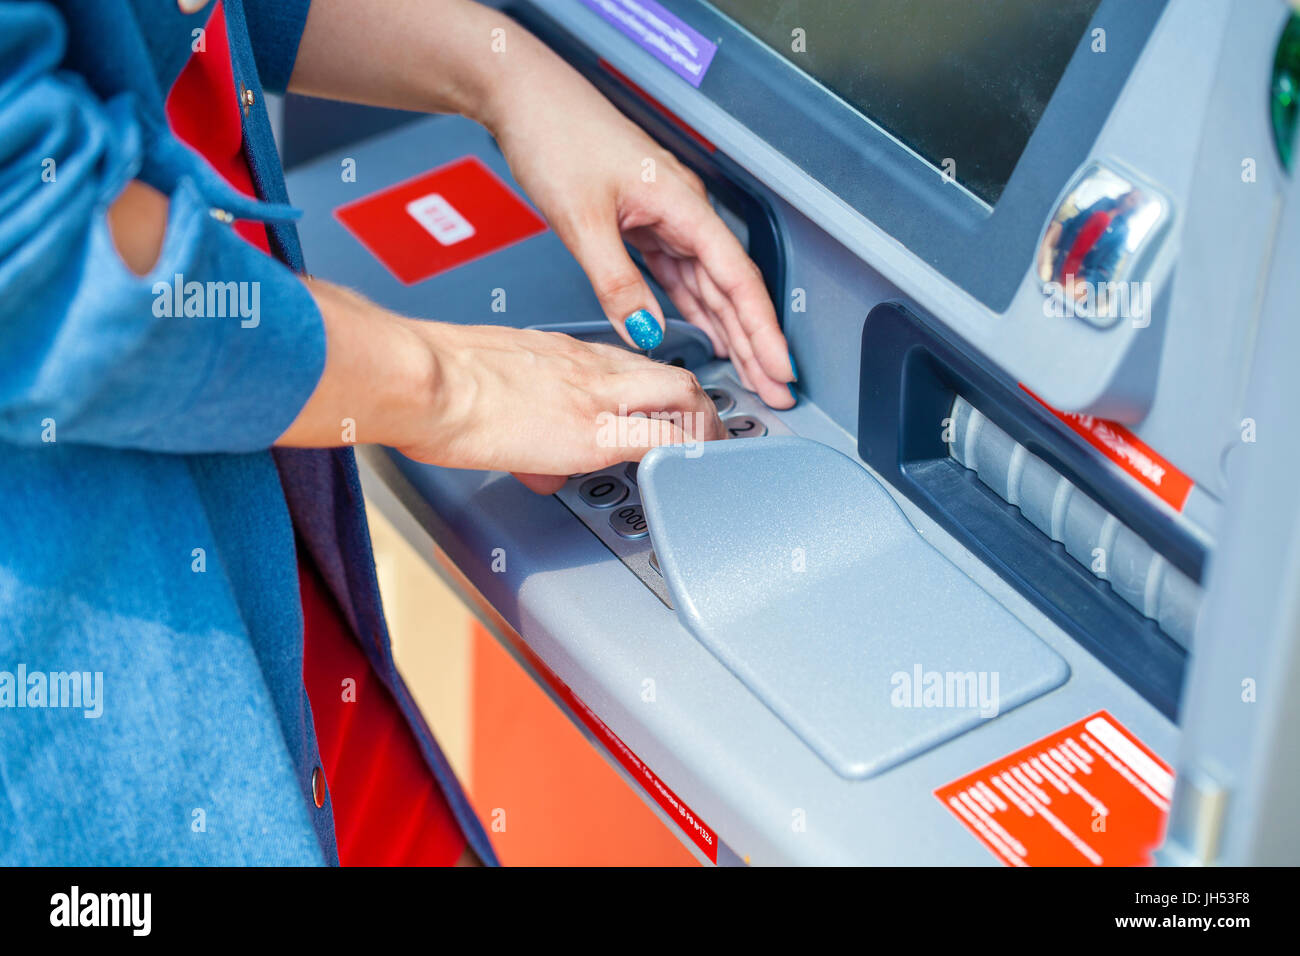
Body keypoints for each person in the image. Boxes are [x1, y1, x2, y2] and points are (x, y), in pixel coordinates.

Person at [0, 0, 795, 865]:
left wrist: (504, 75)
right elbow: (40, 254)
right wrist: (448, 386)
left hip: (282, 596)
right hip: (104, 703)